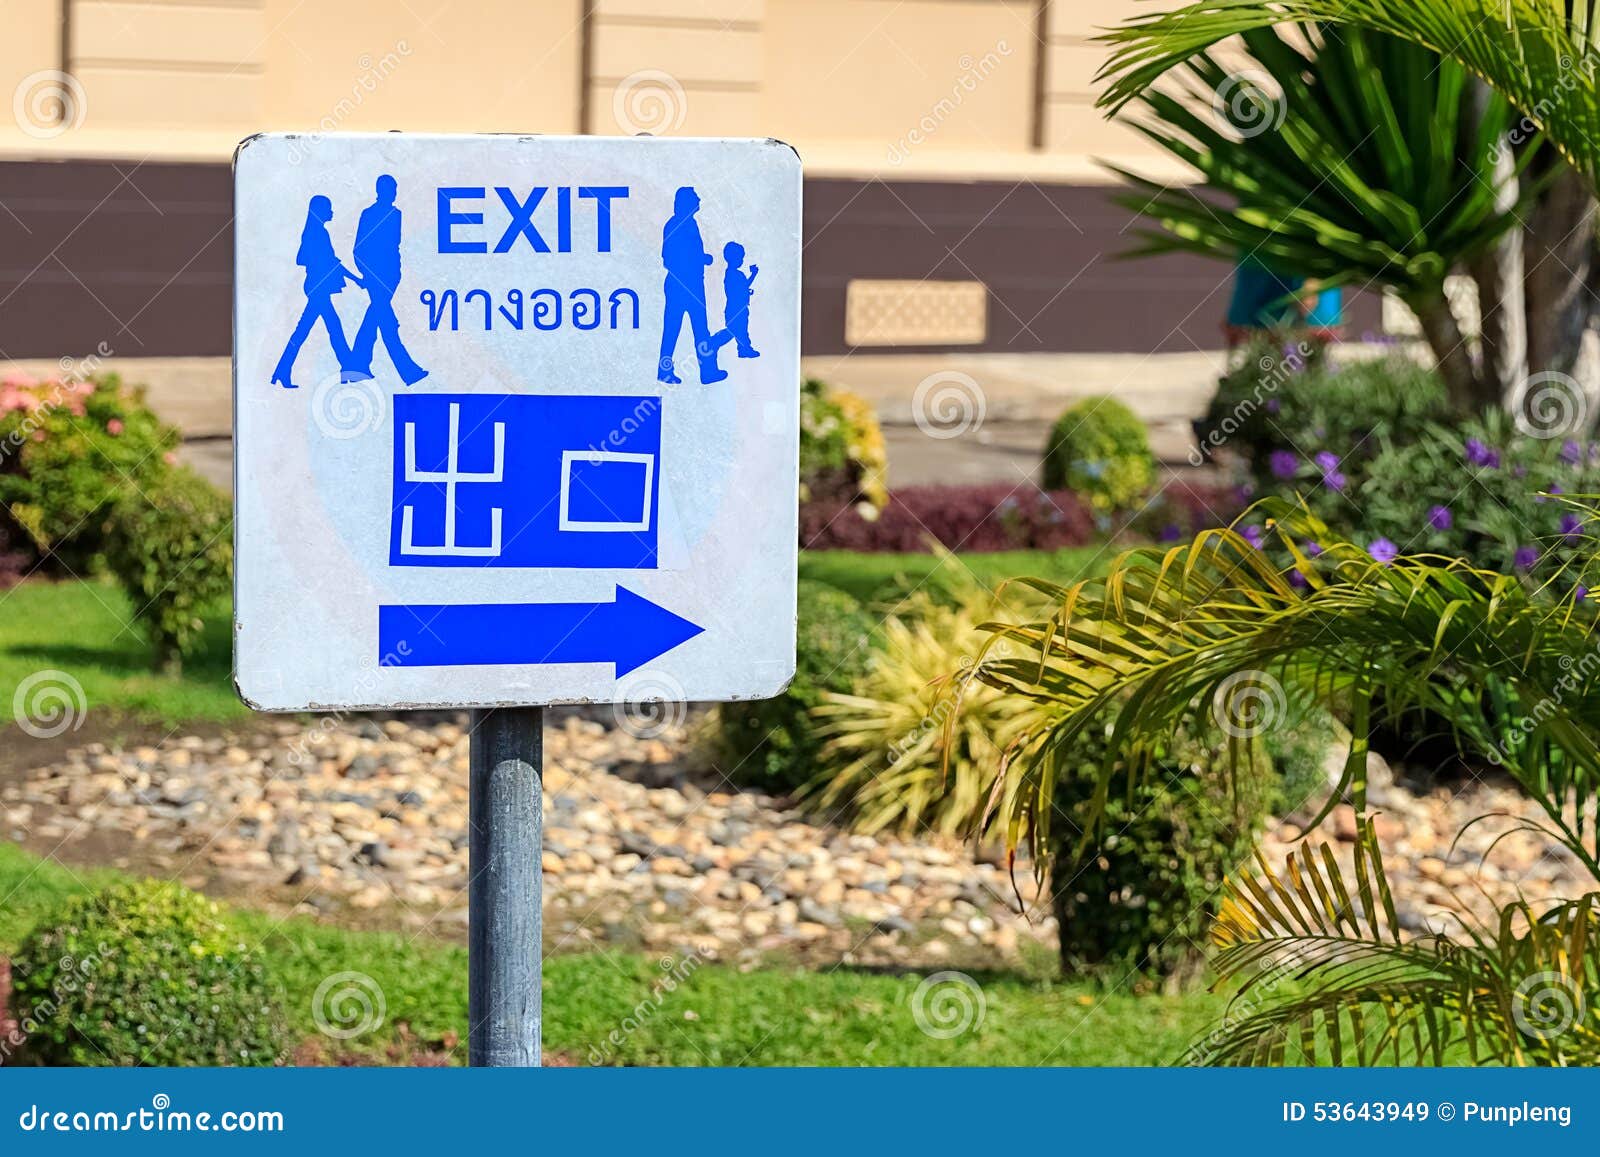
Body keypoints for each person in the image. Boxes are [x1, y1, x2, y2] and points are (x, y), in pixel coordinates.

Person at [347, 174, 428, 386]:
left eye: (395, 189)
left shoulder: (395, 214)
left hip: (390, 276)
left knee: (375, 318)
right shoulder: (370, 215)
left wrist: (395, 272)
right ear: (381, 190)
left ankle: (356, 367)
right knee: (387, 323)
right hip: (377, 276)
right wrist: (367, 274)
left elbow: (394, 246)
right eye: (391, 189)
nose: (394, 193)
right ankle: (407, 371)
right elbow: (359, 248)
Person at [272, 195, 359, 389]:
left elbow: (331, 261)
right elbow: (309, 259)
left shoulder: (317, 232)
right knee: (332, 329)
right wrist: (356, 279)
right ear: (319, 211)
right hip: (317, 288)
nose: (332, 211)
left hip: (317, 287)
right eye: (328, 208)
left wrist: (354, 279)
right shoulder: (317, 233)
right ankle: (350, 370)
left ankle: (282, 370)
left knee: (308, 331)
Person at [657, 186, 727, 385]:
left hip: (695, 285)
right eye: (694, 198)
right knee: (672, 329)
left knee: (701, 330)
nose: (699, 200)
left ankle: (707, 371)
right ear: (685, 203)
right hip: (680, 285)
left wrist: (700, 259)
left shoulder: (691, 224)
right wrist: (697, 259)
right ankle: (664, 371)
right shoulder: (674, 225)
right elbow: (668, 258)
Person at [717, 241, 759, 359]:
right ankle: (714, 343)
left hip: (735, 308)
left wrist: (746, 292)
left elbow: (740, 289)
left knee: (739, 330)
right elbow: (743, 286)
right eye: (740, 258)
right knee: (736, 330)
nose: (742, 261)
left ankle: (743, 349)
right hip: (737, 309)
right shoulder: (735, 274)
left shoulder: (730, 273)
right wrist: (754, 274)